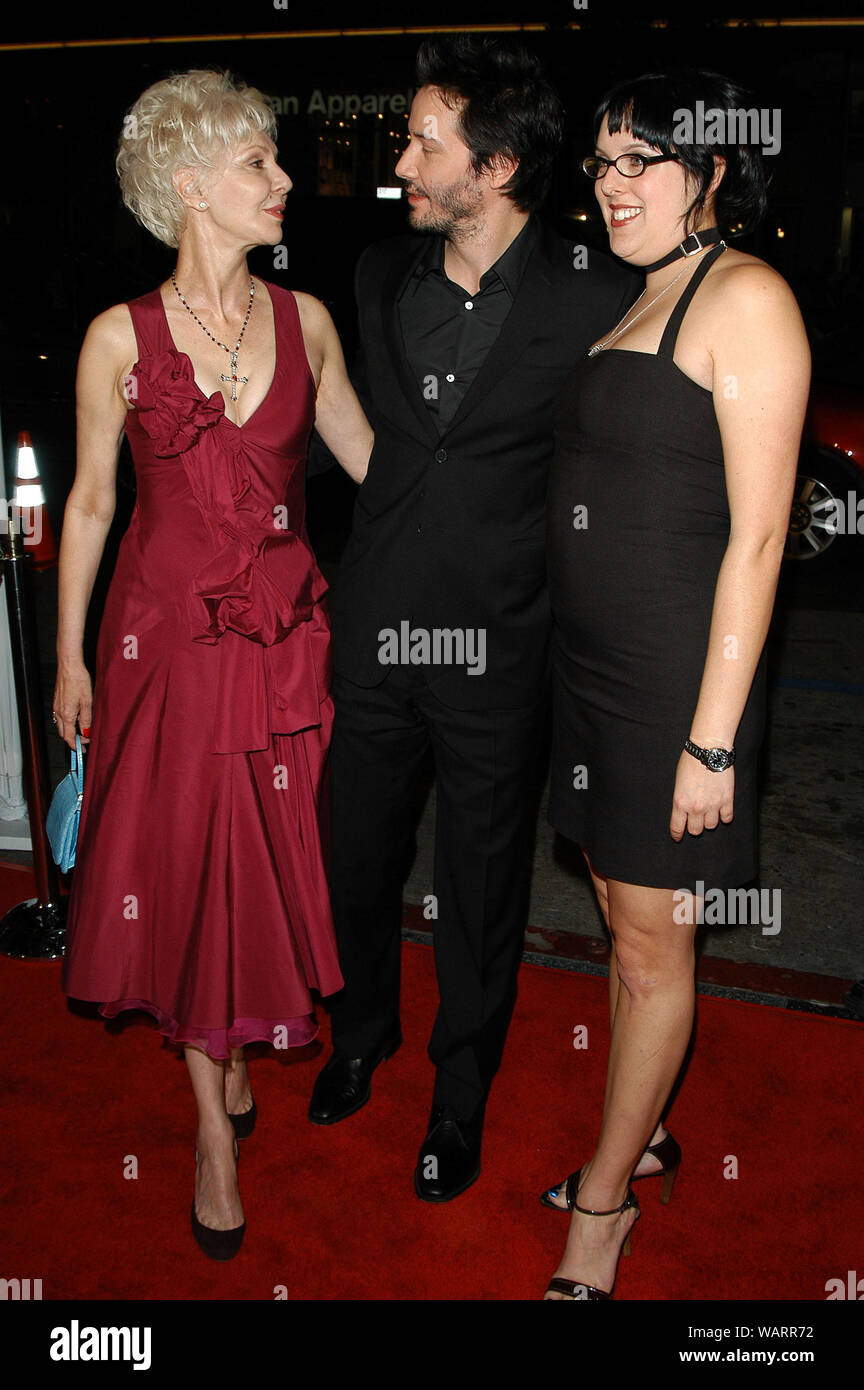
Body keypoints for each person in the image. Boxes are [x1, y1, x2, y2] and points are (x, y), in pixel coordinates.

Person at [307, 35, 637, 1202]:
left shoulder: (598, 294)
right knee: (353, 859)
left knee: (482, 887)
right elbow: (377, 446)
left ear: (493, 168)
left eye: (423, 143)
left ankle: (459, 1097)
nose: (400, 161)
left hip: (504, 644)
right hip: (377, 629)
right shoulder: (373, 278)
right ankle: (361, 1034)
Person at [57, 69, 372, 1260]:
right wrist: (72, 658)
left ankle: (229, 1051)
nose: (286, 180)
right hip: (162, 653)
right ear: (192, 186)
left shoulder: (311, 323)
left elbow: (375, 469)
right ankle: (209, 1130)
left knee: (264, 862)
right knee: (187, 867)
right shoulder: (115, 338)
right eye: (259, 163)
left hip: (282, 652)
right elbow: (90, 505)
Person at [541, 69, 810, 1298]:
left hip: (672, 691)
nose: (613, 184)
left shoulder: (745, 297)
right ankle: (640, 1133)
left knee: (654, 954)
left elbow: (758, 540)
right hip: (595, 675)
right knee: (623, 914)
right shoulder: (639, 294)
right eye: (602, 162)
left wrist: (712, 742)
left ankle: (603, 1211)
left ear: (710, 171)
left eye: (642, 160)